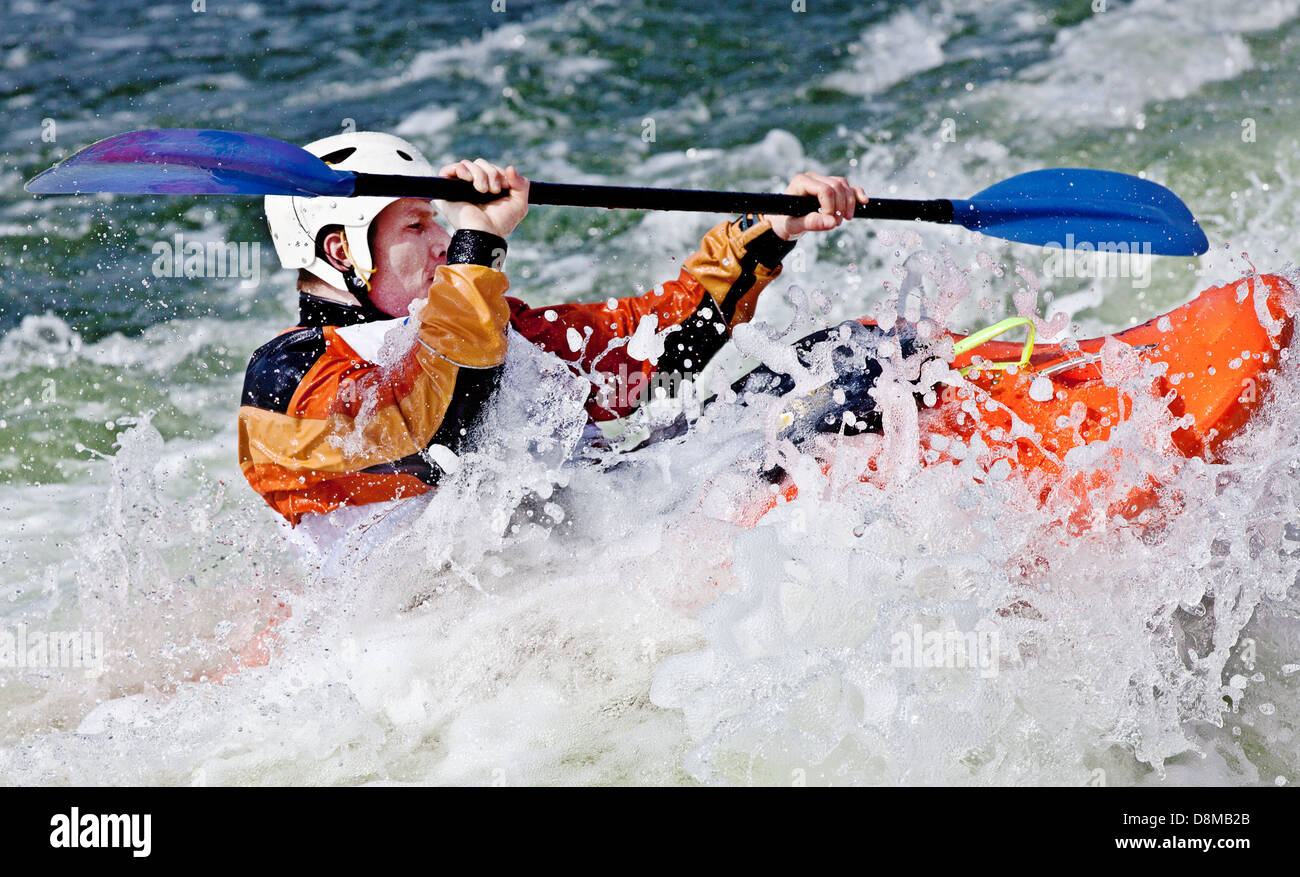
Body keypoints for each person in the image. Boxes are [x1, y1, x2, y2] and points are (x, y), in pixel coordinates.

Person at [237, 131, 867, 540]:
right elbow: (437, 421)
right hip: (466, 620)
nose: (440, 244)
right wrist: (476, 244)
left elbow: (651, 353)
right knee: (852, 394)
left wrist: (767, 229)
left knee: (854, 358)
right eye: (415, 226)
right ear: (340, 247)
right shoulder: (285, 379)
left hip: (604, 533)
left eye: (441, 225)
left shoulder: (486, 321)